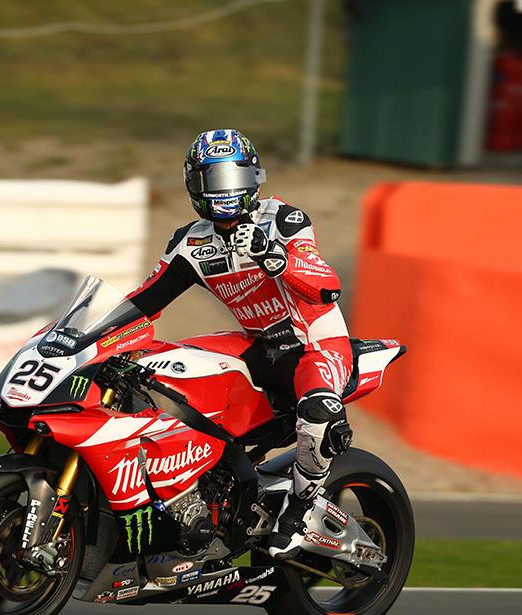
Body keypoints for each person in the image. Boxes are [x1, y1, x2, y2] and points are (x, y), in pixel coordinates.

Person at [127, 128, 353, 560]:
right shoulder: (190, 242)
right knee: (156, 370)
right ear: (195, 186)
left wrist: (277, 258)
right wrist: (86, 337)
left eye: (232, 178)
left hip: (315, 345)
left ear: (253, 178)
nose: (224, 193)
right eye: (214, 181)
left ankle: (300, 512)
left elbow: (327, 288)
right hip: (258, 344)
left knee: (319, 410)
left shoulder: (284, 220)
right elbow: (143, 301)